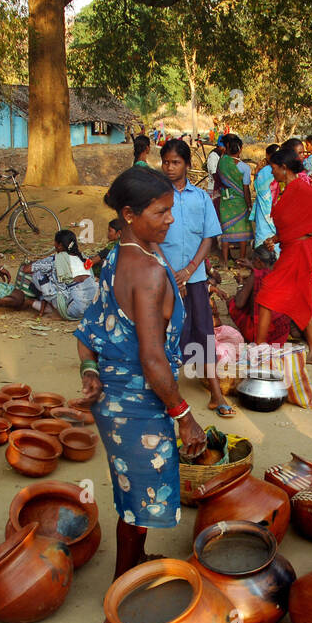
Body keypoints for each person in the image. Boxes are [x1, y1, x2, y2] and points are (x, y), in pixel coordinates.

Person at [73, 167, 207, 578]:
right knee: (141, 500)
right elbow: (152, 360)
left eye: (171, 210)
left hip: (115, 398)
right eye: (161, 211)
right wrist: (185, 417)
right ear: (129, 214)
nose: (171, 219)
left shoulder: (122, 254)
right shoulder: (146, 271)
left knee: (134, 491)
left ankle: (132, 567)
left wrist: (91, 369)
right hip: (138, 404)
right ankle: (123, 583)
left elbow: (91, 329)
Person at [158, 139, 231, 417]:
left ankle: (216, 393)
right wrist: (171, 274)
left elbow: (208, 238)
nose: (169, 167)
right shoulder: (156, 197)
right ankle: (168, 394)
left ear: (187, 165)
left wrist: (188, 272)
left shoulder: (200, 198)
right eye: (165, 162)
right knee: (164, 333)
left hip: (196, 276)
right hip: (163, 279)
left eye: (175, 162)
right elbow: (151, 239)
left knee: (204, 332)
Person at [255, 148, 312, 365]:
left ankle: (259, 350)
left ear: (284, 168)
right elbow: (294, 224)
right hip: (293, 248)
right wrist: (278, 239)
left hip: (299, 252)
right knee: (302, 297)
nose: (272, 171)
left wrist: (310, 230)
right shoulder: (290, 189)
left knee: (267, 295)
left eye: (274, 168)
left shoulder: (300, 189)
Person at [22, 230, 98, 319]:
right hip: (94, 307)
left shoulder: (54, 259)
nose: (54, 244)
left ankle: (41, 304)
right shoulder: (84, 257)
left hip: (75, 310)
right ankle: (47, 305)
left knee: (38, 274)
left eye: (55, 242)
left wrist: (40, 263)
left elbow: (26, 269)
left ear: (60, 245)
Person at [215, 135, 253, 268]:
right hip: (240, 202)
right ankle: (241, 261)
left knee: (226, 231)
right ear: (240, 149)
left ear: (227, 149)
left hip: (226, 201)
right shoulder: (245, 168)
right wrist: (249, 205)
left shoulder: (222, 162)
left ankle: (225, 262)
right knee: (242, 232)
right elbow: (246, 188)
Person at [249, 143, 281, 262]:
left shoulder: (265, 171)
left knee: (263, 234)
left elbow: (257, 187)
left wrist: (257, 171)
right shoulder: (283, 168)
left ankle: (261, 261)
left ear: (268, 156)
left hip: (264, 210)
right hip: (277, 207)